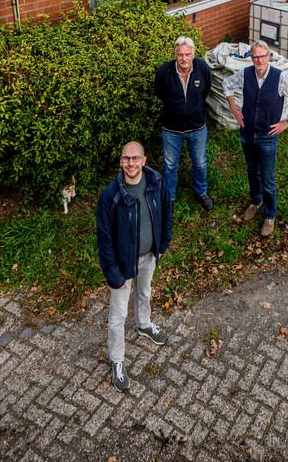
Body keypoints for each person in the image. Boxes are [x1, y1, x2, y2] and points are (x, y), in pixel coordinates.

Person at [95, 141, 173, 393]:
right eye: (126, 159)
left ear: (144, 160)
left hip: (149, 255)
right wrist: (113, 273)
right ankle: (117, 360)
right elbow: (104, 239)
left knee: (145, 292)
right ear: (120, 162)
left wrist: (163, 244)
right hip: (122, 264)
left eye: (135, 158)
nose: (131, 163)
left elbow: (167, 210)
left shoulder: (156, 182)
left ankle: (143, 324)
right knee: (117, 316)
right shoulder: (111, 195)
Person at [223, 40, 288, 238]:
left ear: (269, 56)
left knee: (268, 178)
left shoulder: (279, 77)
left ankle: (270, 215)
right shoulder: (245, 74)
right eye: (255, 57)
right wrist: (234, 108)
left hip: (268, 136)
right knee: (252, 170)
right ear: (251, 58)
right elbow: (226, 84)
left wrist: (287, 121)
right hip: (247, 133)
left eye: (263, 56)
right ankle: (256, 201)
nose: (259, 60)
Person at [153, 36, 214, 211]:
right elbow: (160, 93)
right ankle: (169, 196)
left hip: (197, 127)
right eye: (180, 55)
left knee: (200, 163)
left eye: (187, 54)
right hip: (172, 128)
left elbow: (206, 90)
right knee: (170, 164)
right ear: (175, 54)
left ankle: (201, 192)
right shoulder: (164, 72)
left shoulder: (202, 68)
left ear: (194, 54)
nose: (184, 58)